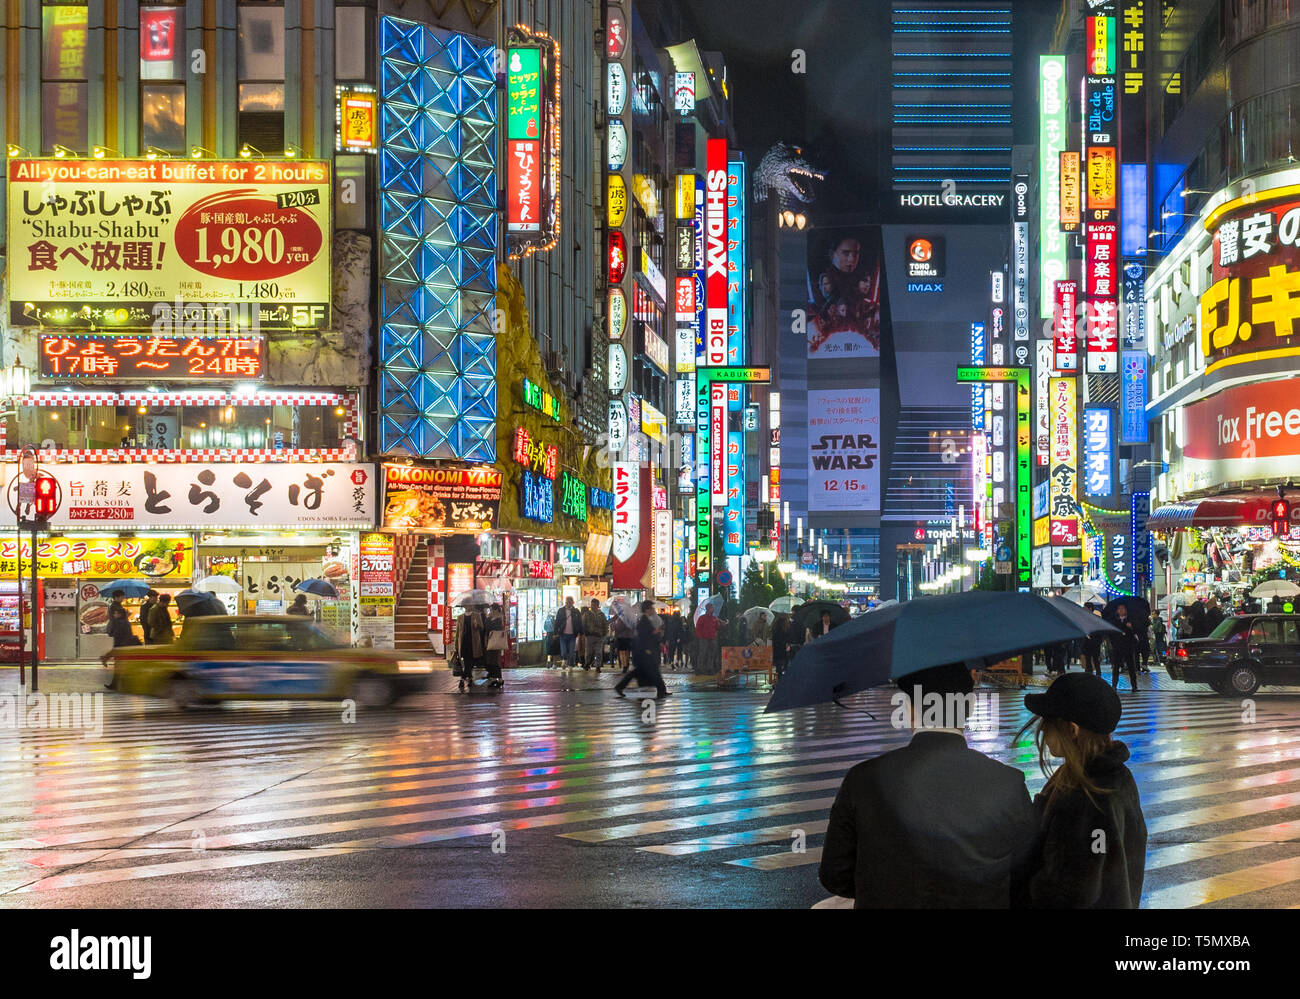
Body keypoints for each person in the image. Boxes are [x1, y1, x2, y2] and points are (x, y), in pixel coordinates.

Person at [819, 663, 1039, 907]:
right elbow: (1025, 876)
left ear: (908, 708)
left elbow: (835, 875)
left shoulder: (863, 779)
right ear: (969, 708)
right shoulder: (1008, 782)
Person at [1016, 673, 1147, 908]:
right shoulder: (1118, 777)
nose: (1044, 734)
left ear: (1072, 730)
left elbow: (1071, 891)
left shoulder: (1085, 797)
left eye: (1048, 725)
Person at [615, 600, 670, 699]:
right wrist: (648, 647)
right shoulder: (644, 621)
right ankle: (662, 690)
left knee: (638, 672)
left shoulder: (646, 620)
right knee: (652, 671)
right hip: (644, 652)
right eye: (651, 608)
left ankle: (620, 687)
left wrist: (656, 633)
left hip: (643, 652)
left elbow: (647, 635)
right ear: (647, 609)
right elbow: (644, 637)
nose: (653, 610)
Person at [454, 606, 487, 692]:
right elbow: (458, 632)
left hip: (473, 643)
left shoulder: (477, 615)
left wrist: (477, 625)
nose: (467, 607)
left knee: (471, 661)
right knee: (466, 661)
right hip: (463, 642)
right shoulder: (460, 617)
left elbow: (482, 628)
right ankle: (470, 678)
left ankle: (463, 679)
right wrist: (456, 645)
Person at [1108, 604, 1139, 692]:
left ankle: (1134, 686)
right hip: (1117, 647)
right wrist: (1114, 643)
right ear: (1117, 611)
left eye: (1123, 609)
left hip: (1128, 646)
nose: (1121, 610)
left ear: (1126, 610)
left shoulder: (1130, 620)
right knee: (1116, 666)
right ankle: (1114, 685)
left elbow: (1136, 632)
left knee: (1131, 667)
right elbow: (1111, 634)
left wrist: (1131, 627)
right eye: (1119, 609)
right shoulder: (1114, 621)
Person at [694, 604, 724, 675]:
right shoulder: (702, 618)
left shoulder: (714, 618)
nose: (713, 609)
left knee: (711, 654)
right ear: (708, 609)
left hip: (712, 638)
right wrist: (701, 636)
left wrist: (721, 624)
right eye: (712, 608)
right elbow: (698, 628)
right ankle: (700, 668)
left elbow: (717, 627)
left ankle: (709, 668)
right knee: (703, 653)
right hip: (704, 639)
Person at [552, 596, 582, 670]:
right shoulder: (561, 610)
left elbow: (579, 622)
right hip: (563, 634)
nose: (568, 603)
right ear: (565, 602)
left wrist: (580, 632)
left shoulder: (576, 611)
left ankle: (570, 664)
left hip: (573, 634)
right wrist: (555, 633)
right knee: (564, 651)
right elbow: (557, 622)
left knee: (571, 652)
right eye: (567, 602)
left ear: (572, 602)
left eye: (570, 602)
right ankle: (564, 661)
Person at [581, 599, 609, 673]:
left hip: (599, 636)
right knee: (589, 652)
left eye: (594, 605)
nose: (592, 606)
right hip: (589, 636)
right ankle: (587, 663)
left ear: (597, 605)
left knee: (598, 652)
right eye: (592, 604)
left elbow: (605, 625)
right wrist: (585, 633)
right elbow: (583, 624)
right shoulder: (587, 614)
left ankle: (598, 666)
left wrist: (604, 634)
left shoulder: (601, 615)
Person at [483, 604, 505, 688]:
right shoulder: (490, 618)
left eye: (491, 610)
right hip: (489, 642)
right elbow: (486, 629)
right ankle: (494, 679)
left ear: (495, 610)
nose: (490, 612)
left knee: (495, 661)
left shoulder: (499, 619)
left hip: (495, 643)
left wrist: (488, 619)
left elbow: (492, 629)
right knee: (490, 661)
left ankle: (499, 679)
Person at [1081, 609, 1104, 677]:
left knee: (1095, 660)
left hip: (1095, 645)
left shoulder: (1099, 624)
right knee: (1089, 660)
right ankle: (1090, 673)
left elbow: (1100, 636)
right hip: (1088, 644)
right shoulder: (1088, 622)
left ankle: (1097, 673)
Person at [610, 609, 634, 674]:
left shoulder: (622, 618)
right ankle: (626, 665)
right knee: (627, 652)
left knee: (622, 653)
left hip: (622, 637)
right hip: (629, 637)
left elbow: (618, 627)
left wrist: (612, 624)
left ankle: (625, 666)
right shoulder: (630, 618)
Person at [771, 612, 792, 677]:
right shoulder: (786, 627)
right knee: (785, 663)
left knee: (778, 665)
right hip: (783, 647)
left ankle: (778, 677)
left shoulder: (774, 626)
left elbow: (773, 637)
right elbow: (788, 637)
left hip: (776, 648)